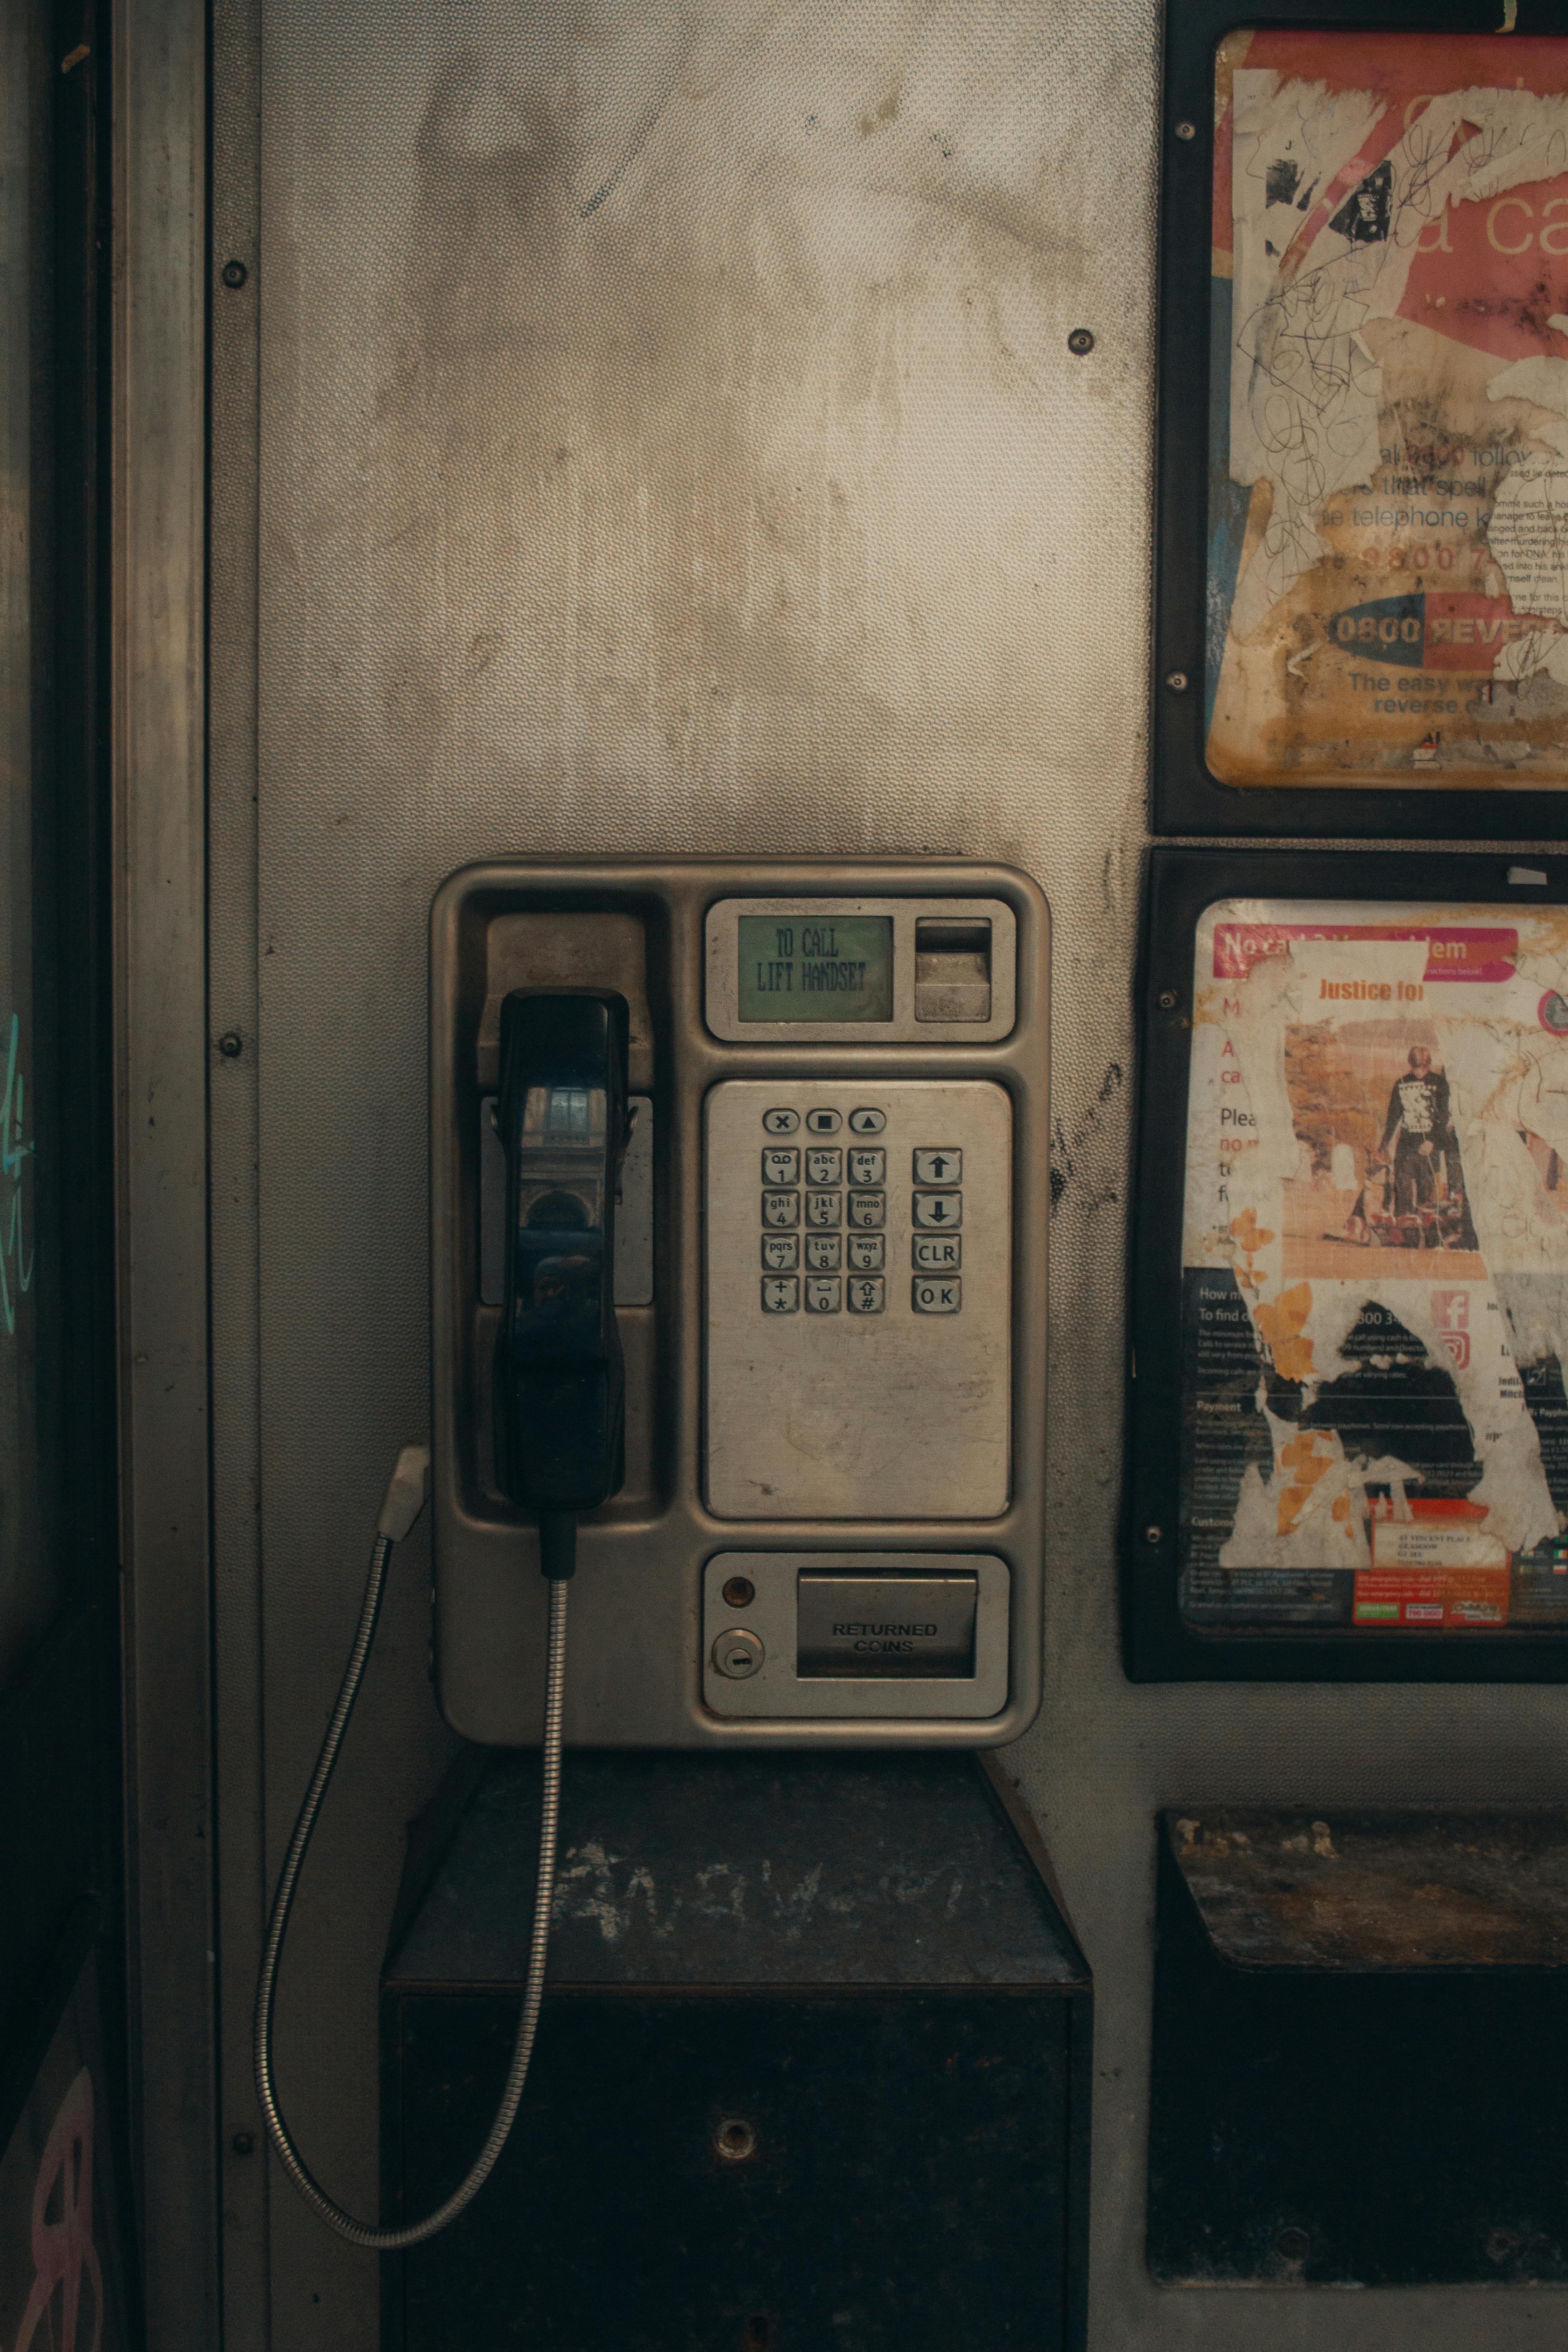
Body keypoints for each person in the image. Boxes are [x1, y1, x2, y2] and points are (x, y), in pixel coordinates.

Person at [1377, 1046, 1477, 1248]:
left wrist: (1432, 1141)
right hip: (1406, 1145)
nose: (1419, 1072)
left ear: (1429, 1066)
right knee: (1403, 1190)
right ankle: (1405, 1237)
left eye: (1423, 1068)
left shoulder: (1439, 1083)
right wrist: (1385, 1144)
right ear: (1410, 1065)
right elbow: (1393, 1116)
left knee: (1426, 1195)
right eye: (1416, 1068)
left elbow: (1444, 1117)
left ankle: (1427, 1239)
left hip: (1429, 1147)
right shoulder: (1401, 1084)